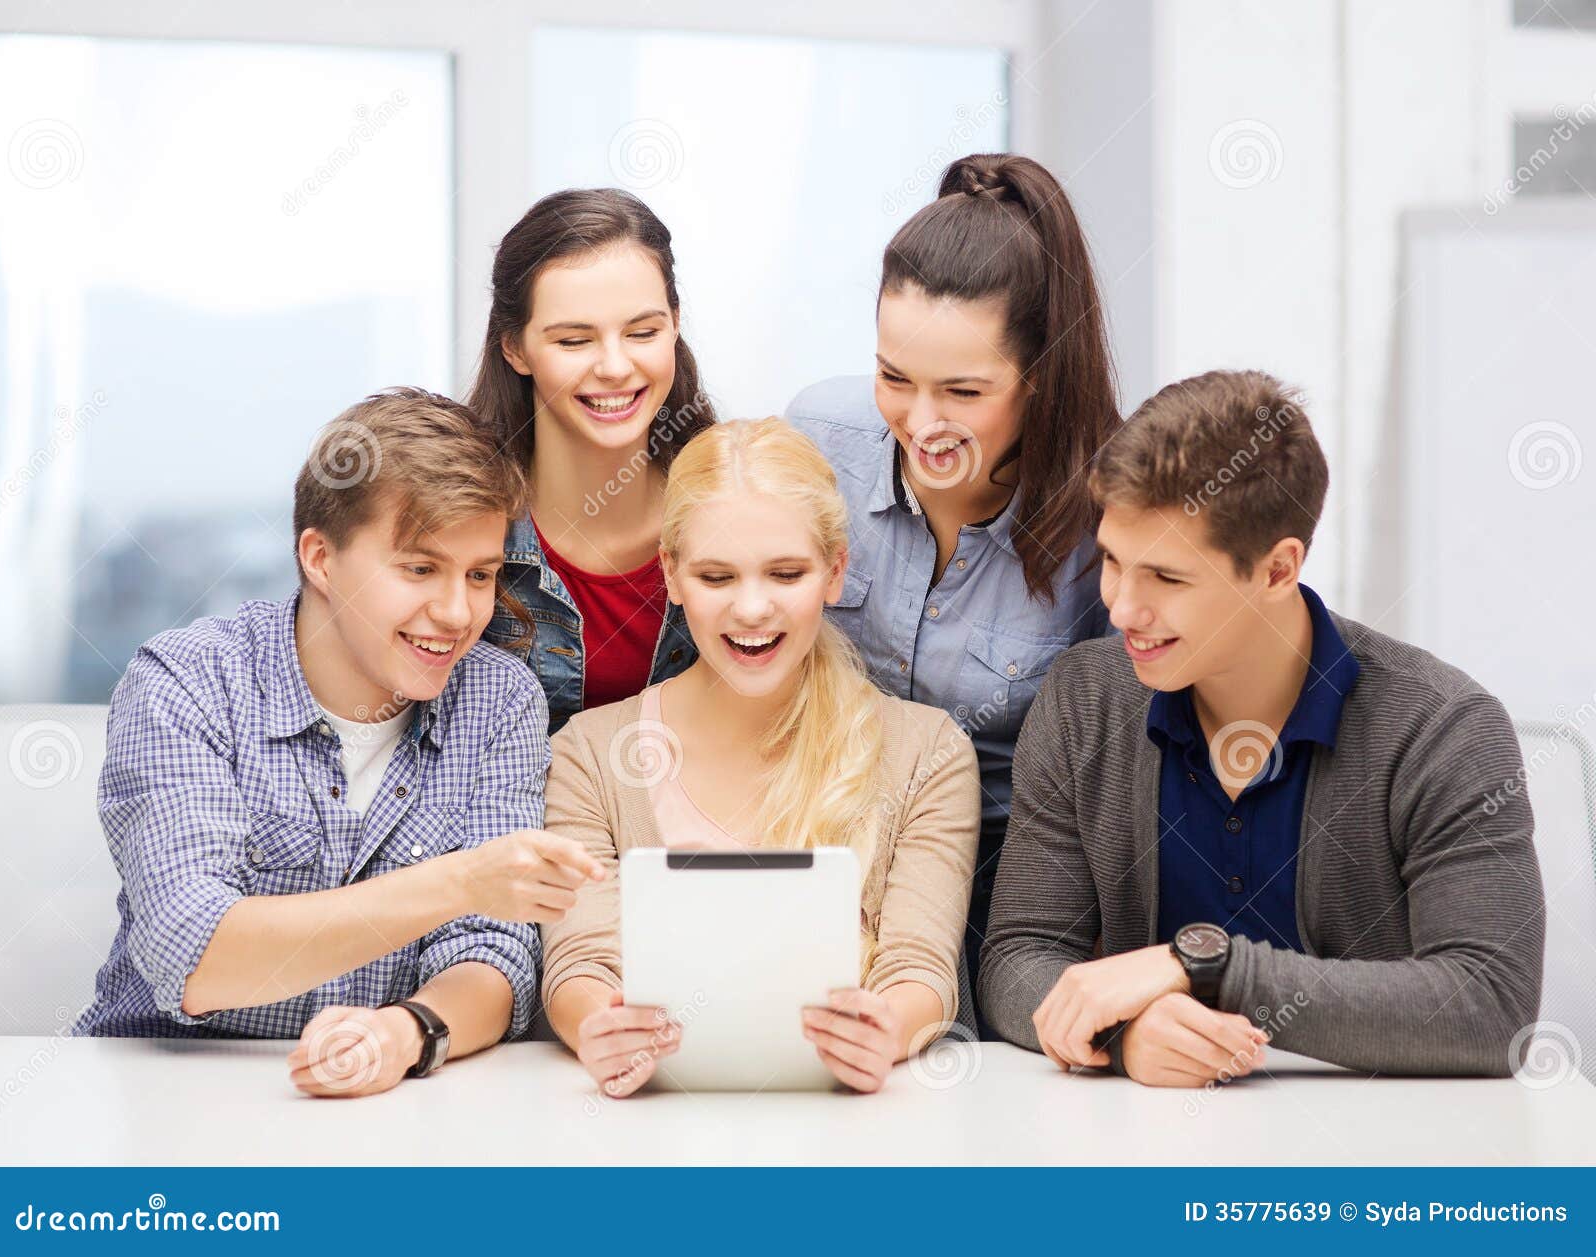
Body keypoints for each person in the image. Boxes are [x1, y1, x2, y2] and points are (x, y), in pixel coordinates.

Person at [980, 369, 1546, 1084]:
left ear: (1279, 569)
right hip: (1147, 1134)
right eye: (1113, 562)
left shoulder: (1443, 729)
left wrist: (1204, 965)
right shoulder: (1084, 700)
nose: (1121, 608)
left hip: (1384, 1138)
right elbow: (1017, 957)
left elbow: (1491, 1008)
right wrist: (1127, 1033)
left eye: (1168, 578)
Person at [74, 388, 603, 1098]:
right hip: (160, 1090)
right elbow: (192, 953)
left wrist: (405, 1032)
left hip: (390, 1100)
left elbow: (491, 951)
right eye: (420, 568)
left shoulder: (500, 697)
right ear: (320, 558)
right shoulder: (187, 682)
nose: (458, 613)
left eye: (480, 575)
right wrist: (460, 881)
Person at [538, 417, 981, 1096]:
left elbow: (920, 967)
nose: (751, 608)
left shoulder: (929, 753)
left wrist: (885, 1030)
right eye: (717, 576)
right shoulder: (589, 754)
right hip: (649, 1123)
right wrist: (599, 1026)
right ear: (671, 574)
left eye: (786, 573)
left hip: (852, 1124)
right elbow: (580, 961)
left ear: (835, 571)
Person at [786, 154, 1117, 1024]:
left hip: (1005, 888)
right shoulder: (818, 436)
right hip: (821, 847)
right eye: (894, 378)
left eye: (963, 391)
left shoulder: (1105, 517)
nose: (922, 423)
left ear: (1041, 375)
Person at [471, 189, 717, 734]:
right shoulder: (459, 522)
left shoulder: (733, 502)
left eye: (643, 333)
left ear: (676, 324)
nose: (614, 366)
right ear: (514, 348)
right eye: (574, 340)